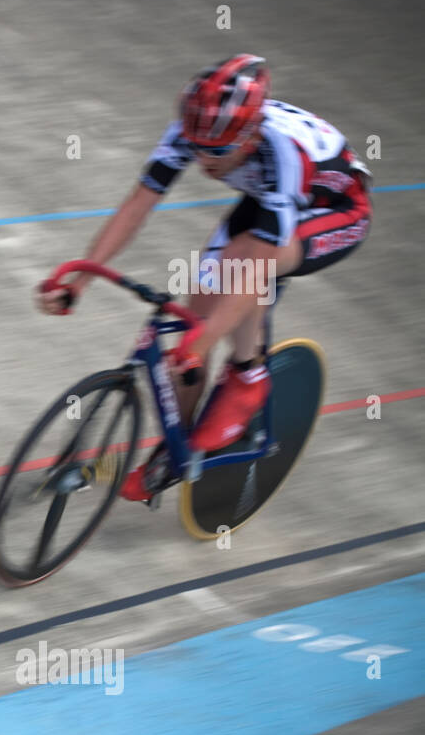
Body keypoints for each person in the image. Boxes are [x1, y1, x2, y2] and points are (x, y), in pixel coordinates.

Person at [37, 54, 372, 502]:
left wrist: (205, 341)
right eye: (194, 146)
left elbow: (258, 265)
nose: (201, 159)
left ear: (250, 137)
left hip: (337, 210)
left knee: (244, 264)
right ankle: (176, 449)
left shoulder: (281, 154)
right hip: (271, 199)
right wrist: (81, 276)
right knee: (198, 312)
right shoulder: (196, 128)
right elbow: (137, 205)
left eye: (214, 152)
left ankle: (248, 376)